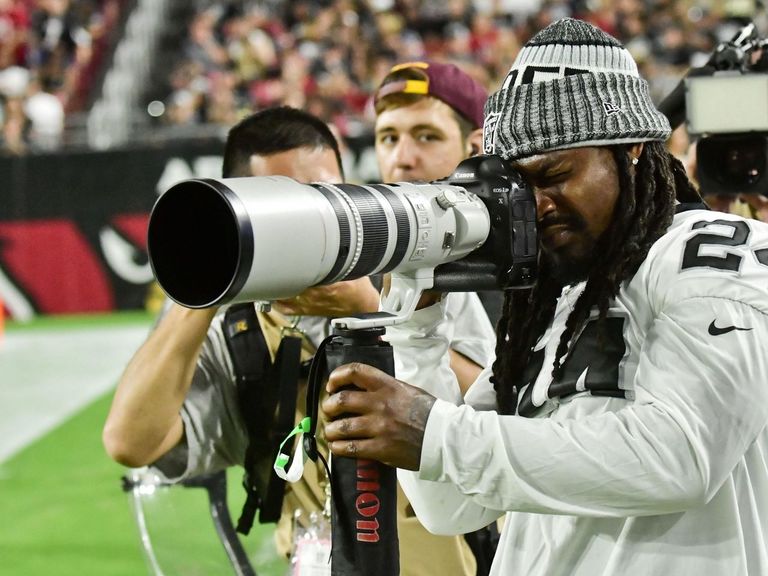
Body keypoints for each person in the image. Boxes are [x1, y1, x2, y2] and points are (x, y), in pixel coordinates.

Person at [321, 18, 768, 575]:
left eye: (555, 174)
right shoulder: (553, 300)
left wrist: (435, 430)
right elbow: (449, 505)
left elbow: (680, 456)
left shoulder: (715, 251)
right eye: (519, 185)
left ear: (629, 148)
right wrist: (418, 327)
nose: (537, 205)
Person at [102, 106, 495, 575]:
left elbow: (493, 413)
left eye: (328, 195)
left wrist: (369, 308)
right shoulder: (235, 330)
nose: (317, 219)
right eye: (290, 205)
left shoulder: (412, 271)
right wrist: (208, 279)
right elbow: (131, 441)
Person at [372, 60, 505, 329]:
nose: (402, 159)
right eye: (389, 138)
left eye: (427, 136)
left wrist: (366, 312)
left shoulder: (513, 264)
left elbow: (497, 372)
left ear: (474, 149)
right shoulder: (363, 257)